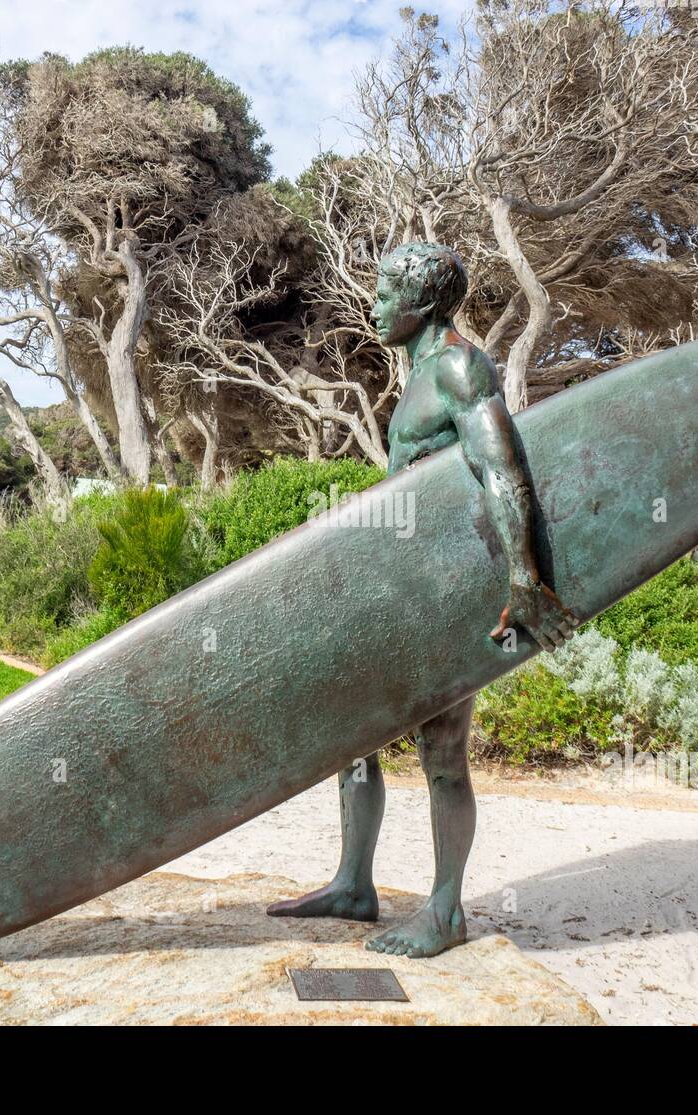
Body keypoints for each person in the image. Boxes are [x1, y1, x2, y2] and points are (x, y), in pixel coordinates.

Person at [267, 242, 578, 958]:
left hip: (447, 596)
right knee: (355, 735)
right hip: (401, 592)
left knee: (442, 751)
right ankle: (353, 883)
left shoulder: (461, 368)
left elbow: (503, 469)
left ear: (425, 304)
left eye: (384, 293)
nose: (373, 305)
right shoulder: (418, 375)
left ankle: (445, 911)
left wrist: (525, 582)